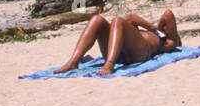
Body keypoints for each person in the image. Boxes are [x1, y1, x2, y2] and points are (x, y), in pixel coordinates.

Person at [54, 9, 182, 76]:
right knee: (96, 19)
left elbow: (168, 14)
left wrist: (158, 29)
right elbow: (130, 17)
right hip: (117, 52)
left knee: (117, 21)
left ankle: (109, 65)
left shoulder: (170, 42)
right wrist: (154, 27)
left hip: (139, 53)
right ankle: (73, 62)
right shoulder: (150, 31)